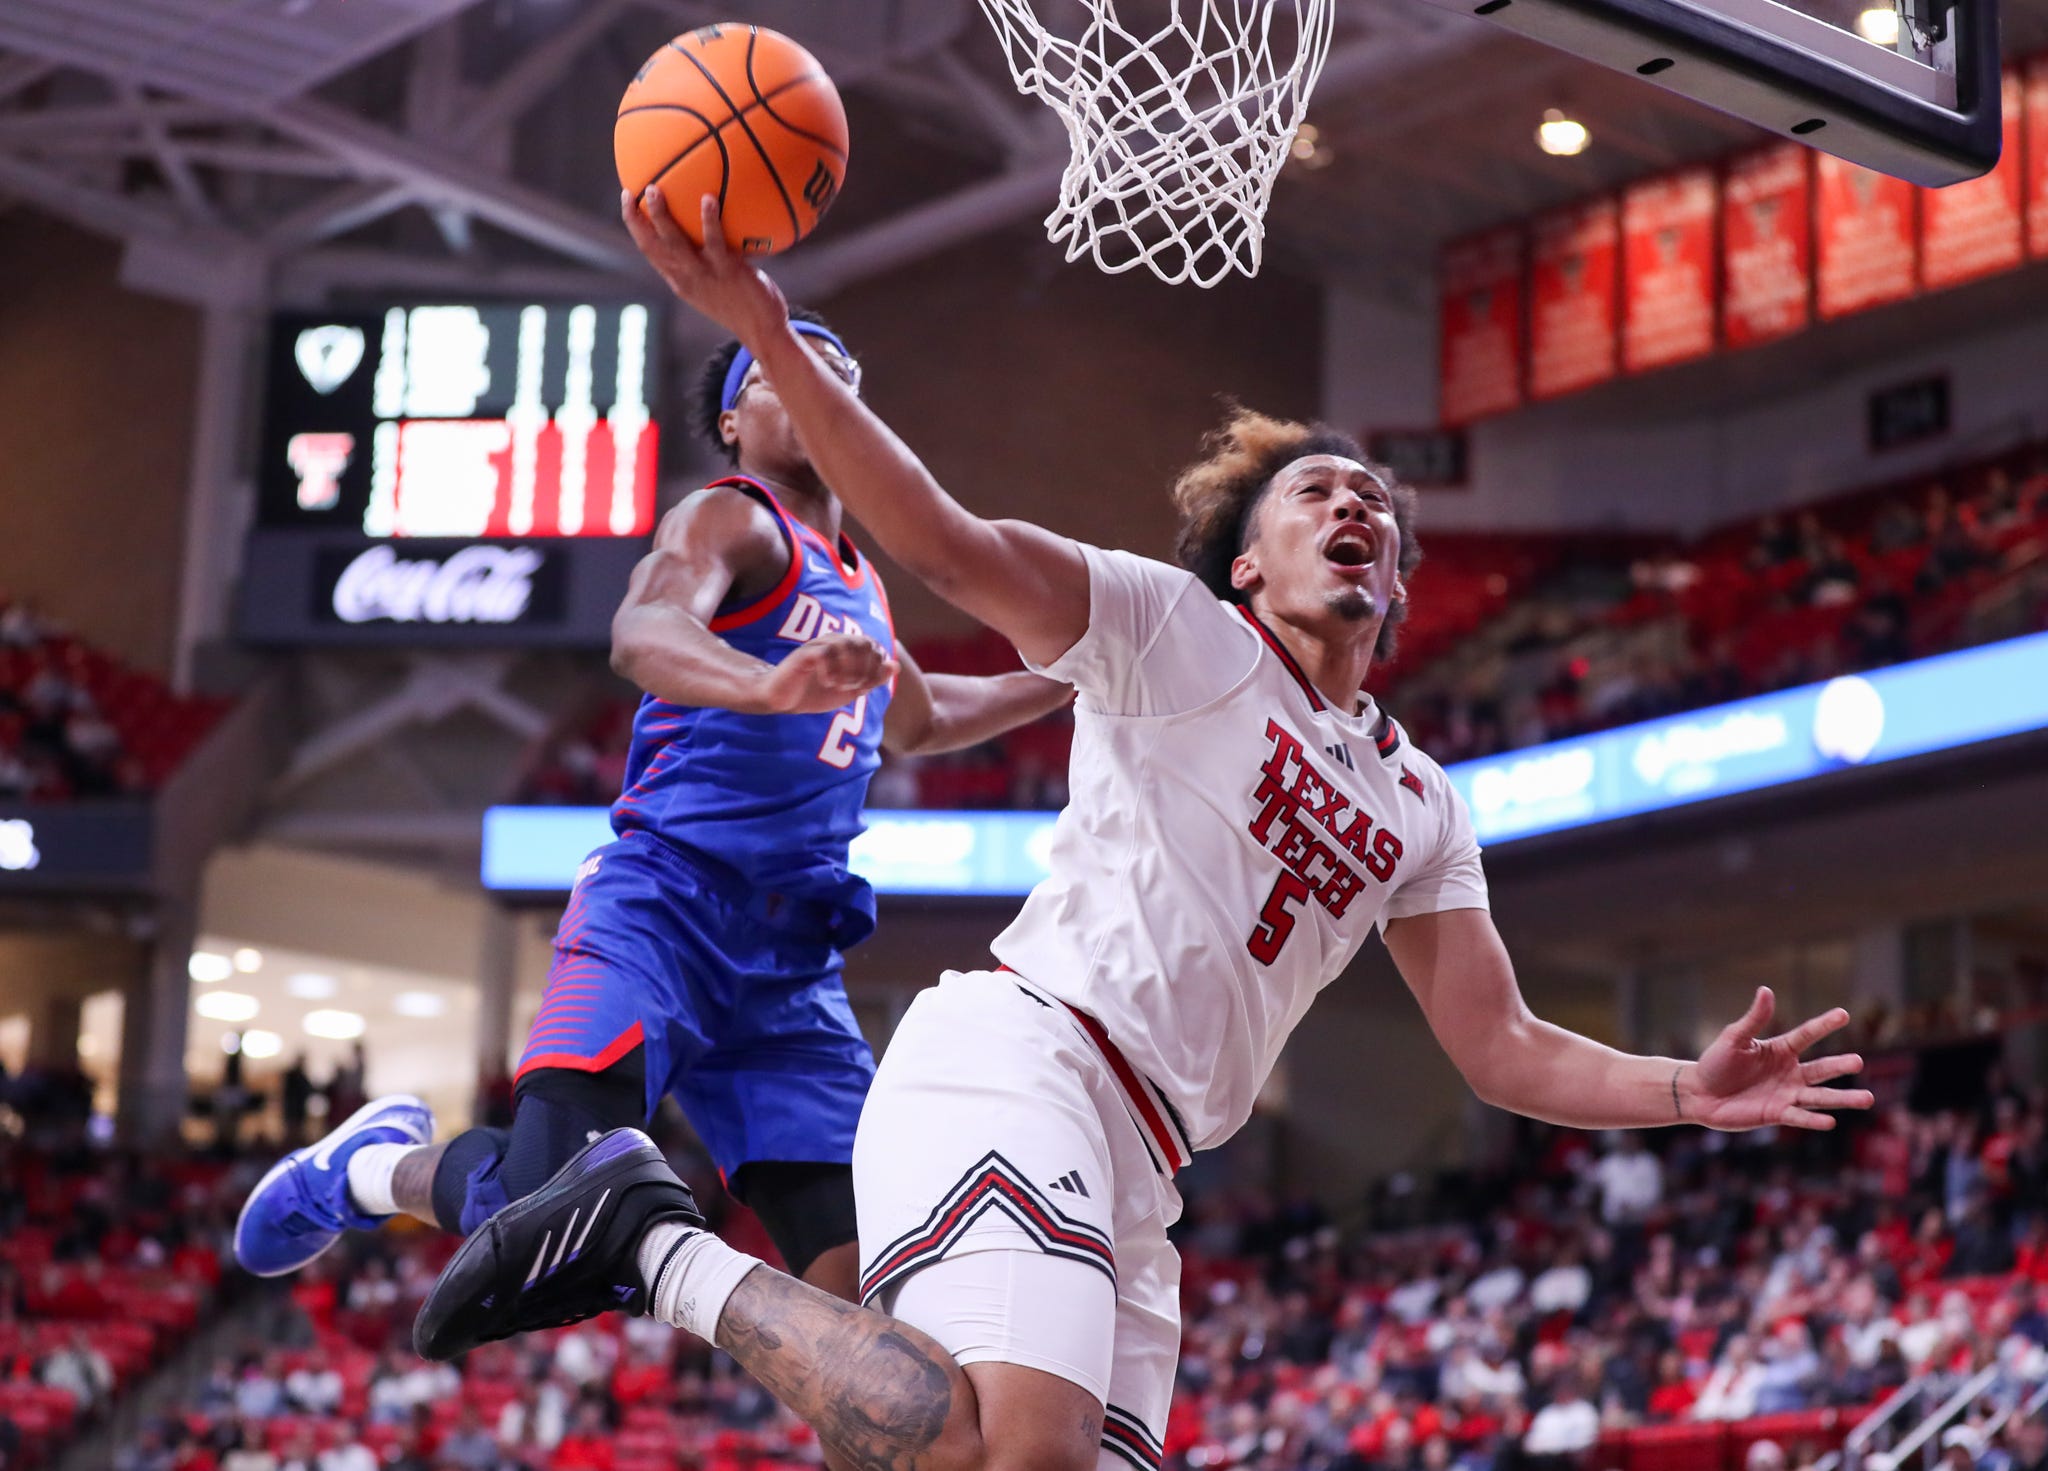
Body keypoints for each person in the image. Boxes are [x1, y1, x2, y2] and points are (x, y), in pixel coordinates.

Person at [409, 191, 1876, 1471]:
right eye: (1316, 490)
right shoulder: (1177, 629)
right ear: (1250, 557)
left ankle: (613, 1228)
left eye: (1376, 500)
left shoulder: (1422, 799)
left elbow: (1502, 1049)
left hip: (1147, 1158)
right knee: (1017, 1446)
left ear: (1400, 584)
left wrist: (1685, 1086)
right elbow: (940, 537)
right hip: (1023, 1056)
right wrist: (771, 332)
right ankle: (650, 1241)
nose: (1354, 500)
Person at [233, 301, 1072, 1313]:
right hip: (668, 903)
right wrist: (763, 683)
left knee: (867, 1288)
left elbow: (926, 718)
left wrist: (1076, 672)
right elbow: (644, 627)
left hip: (792, 961)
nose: (818, 383)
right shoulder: (728, 517)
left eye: (840, 371)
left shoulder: (862, 589)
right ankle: (367, 1170)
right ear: (729, 424)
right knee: (549, 1203)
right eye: (777, 371)